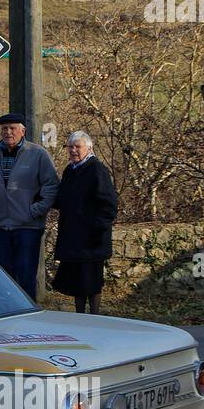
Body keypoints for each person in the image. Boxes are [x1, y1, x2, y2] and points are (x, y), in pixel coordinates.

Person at [0, 112, 59, 300]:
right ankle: (9, 317)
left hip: (28, 227)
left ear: (23, 131)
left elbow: (51, 185)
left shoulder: (37, 154)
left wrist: (35, 210)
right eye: (4, 128)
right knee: (4, 278)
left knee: (26, 277)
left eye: (12, 128)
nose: (8, 132)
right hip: (0, 226)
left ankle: (28, 317)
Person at [52, 131, 119, 314]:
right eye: (70, 147)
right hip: (74, 238)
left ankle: (94, 317)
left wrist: (97, 230)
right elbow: (62, 199)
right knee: (77, 282)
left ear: (89, 148)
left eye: (77, 147)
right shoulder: (70, 170)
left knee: (92, 282)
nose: (73, 150)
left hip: (91, 240)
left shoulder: (97, 170)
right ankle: (80, 316)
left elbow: (109, 205)